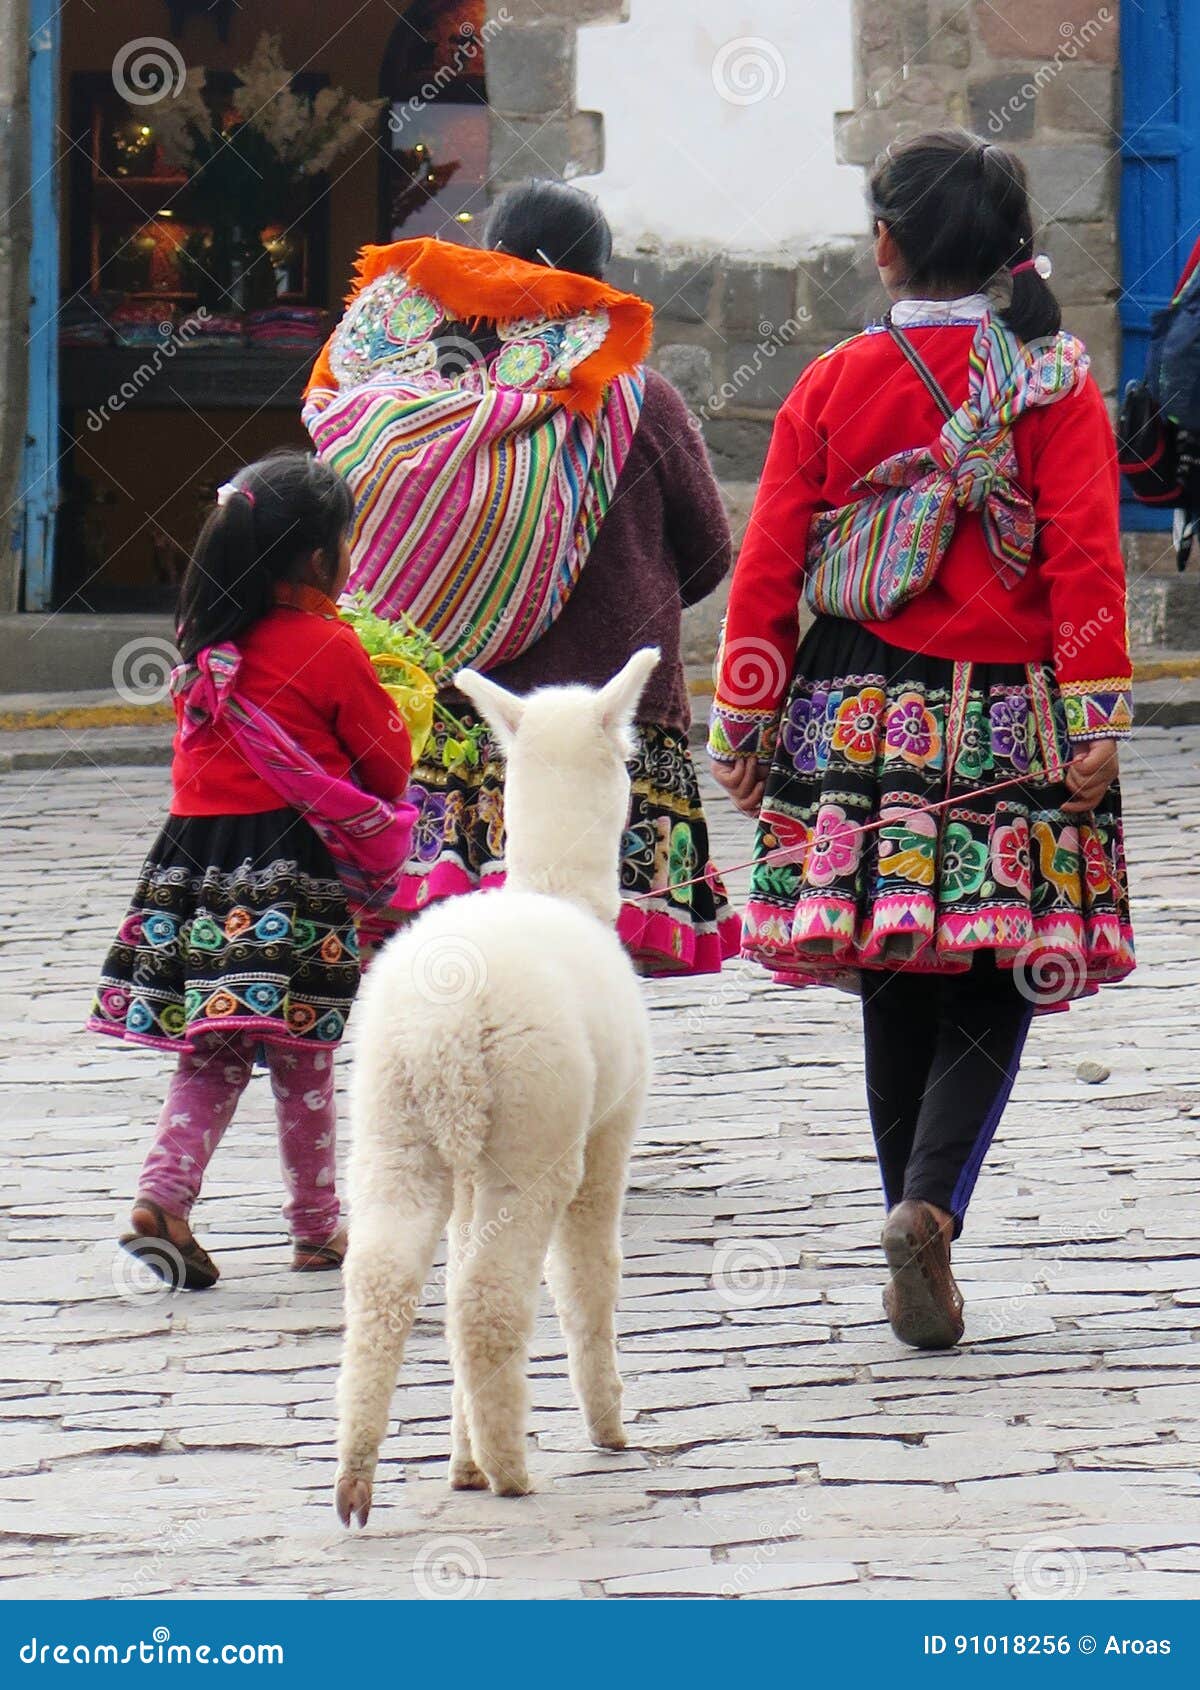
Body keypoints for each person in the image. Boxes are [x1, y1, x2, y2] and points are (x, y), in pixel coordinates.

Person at [708, 130, 1135, 1348]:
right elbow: (1087, 554)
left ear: (885, 244)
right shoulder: (1051, 380)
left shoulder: (832, 381)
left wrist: (745, 715)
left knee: (893, 965)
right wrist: (1093, 709)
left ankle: (912, 1210)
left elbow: (771, 563)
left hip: (855, 710)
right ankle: (932, 1208)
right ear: (1010, 252)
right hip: (1007, 708)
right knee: (1001, 963)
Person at [304, 179, 739, 976]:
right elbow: (711, 554)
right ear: (598, 280)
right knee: (586, 970)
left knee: (460, 956)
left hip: (465, 723)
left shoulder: (415, 390)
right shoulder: (640, 399)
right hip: (603, 720)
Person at [90, 451, 413, 1287]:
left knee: (219, 1047)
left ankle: (191, 1201)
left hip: (199, 871)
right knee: (305, 1047)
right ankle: (308, 1225)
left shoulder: (205, 653)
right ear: (318, 558)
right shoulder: (327, 646)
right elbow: (385, 765)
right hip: (289, 877)